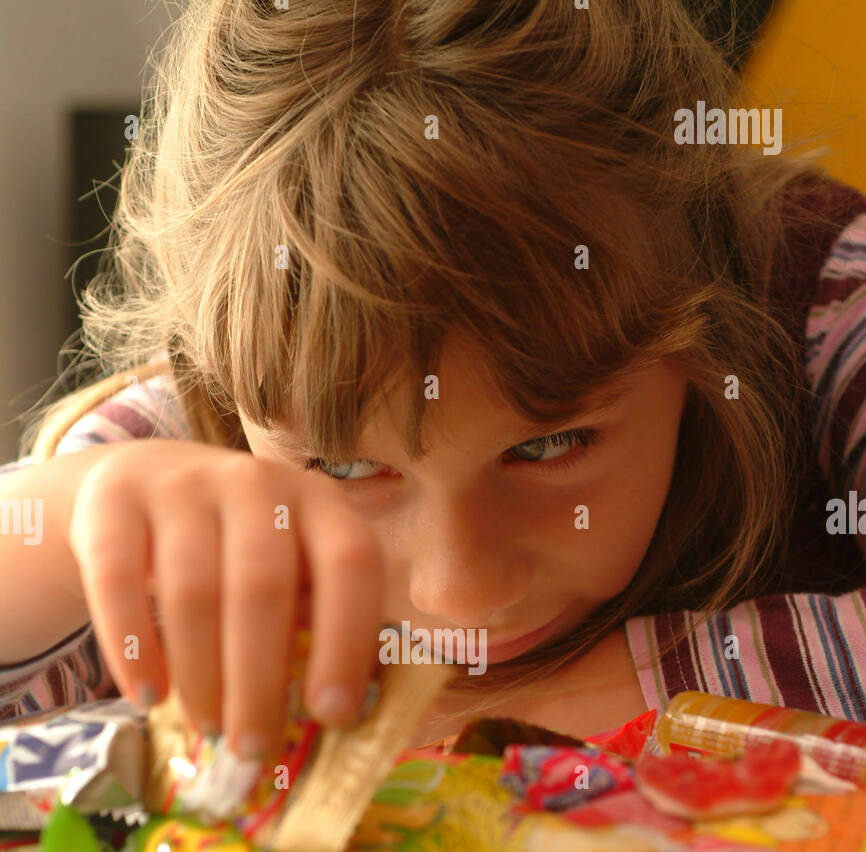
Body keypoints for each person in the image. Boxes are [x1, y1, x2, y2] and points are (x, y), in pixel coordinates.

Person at [3, 0, 866, 761]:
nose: (459, 590)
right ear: (213, 381)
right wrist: (63, 528)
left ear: (714, 308)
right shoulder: (199, 431)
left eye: (552, 445)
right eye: (344, 469)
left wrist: (491, 721)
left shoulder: (826, 293)